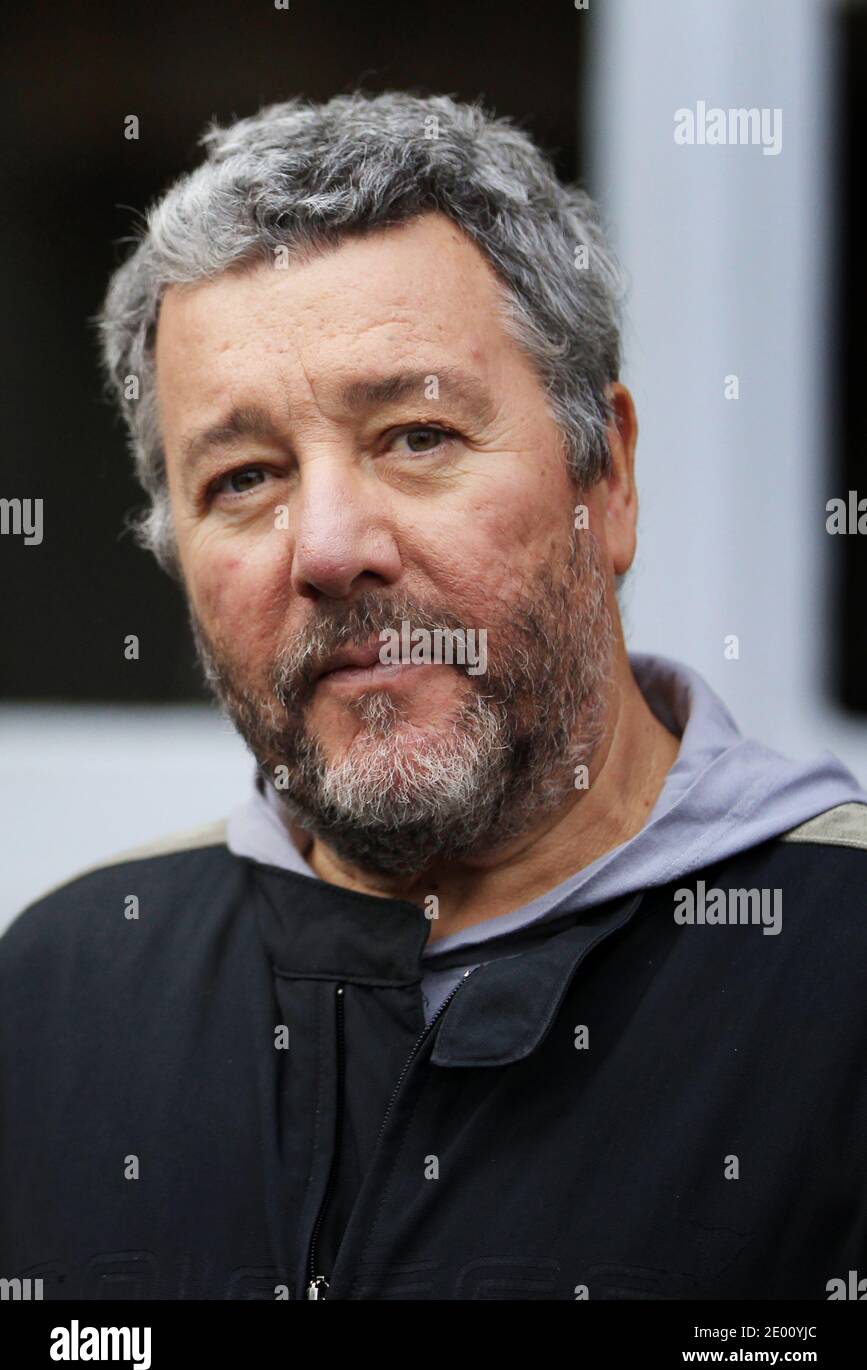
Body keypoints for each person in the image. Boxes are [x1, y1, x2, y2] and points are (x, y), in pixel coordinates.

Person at [1, 91, 865, 1302]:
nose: (330, 547)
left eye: (415, 435)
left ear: (604, 478)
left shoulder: (836, 973)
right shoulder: (59, 997)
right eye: (245, 476)